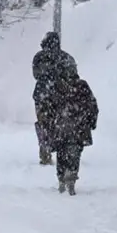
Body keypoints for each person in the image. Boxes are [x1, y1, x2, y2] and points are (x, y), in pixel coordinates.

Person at [48, 62, 99, 195]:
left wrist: (51, 123)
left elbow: (50, 107)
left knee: (61, 152)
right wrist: (91, 122)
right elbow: (92, 105)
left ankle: (61, 178)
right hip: (80, 127)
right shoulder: (82, 86)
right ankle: (71, 175)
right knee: (75, 152)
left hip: (61, 127)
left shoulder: (57, 86)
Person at [32, 31, 76, 165]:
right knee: (62, 125)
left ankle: (45, 151)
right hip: (62, 97)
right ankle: (64, 152)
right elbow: (73, 76)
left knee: (43, 124)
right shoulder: (67, 57)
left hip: (42, 96)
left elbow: (36, 74)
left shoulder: (39, 57)